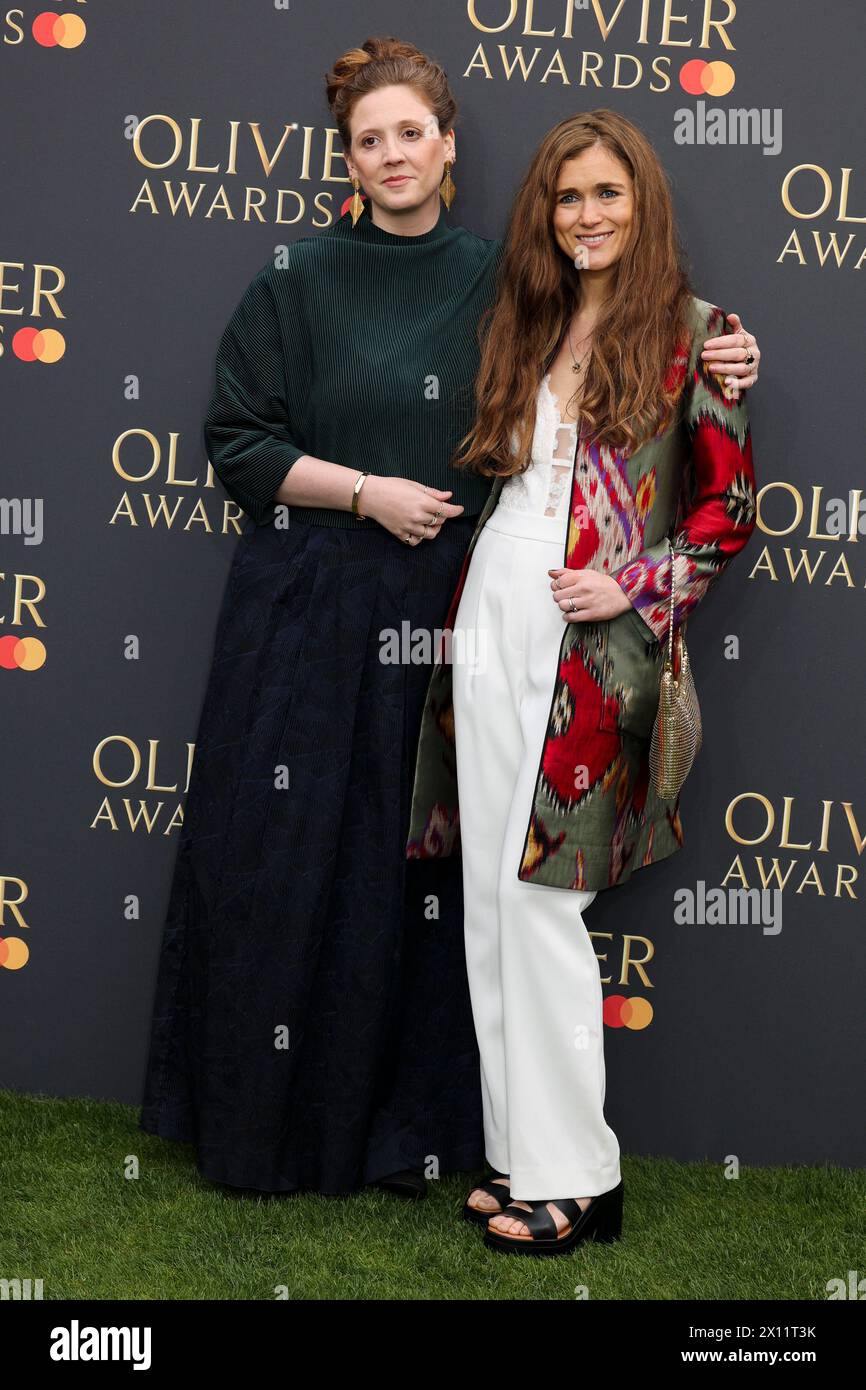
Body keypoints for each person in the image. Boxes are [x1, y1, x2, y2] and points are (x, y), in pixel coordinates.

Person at [139, 39, 760, 1200]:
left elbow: (717, 494)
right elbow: (243, 440)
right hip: (404, 611)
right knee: (457, 897)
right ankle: (460, 1151)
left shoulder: (608, 308)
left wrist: (718, 366)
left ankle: (543, 1168)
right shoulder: (413, 295)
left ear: (447, 145)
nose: (583, 215)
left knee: (517, 901)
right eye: (368, 139)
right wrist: (366, 492)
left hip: (529, 619)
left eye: (409, 133)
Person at [406, 109, 758, 1253]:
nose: (585, 215)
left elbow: (725, 514)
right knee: (492, 904)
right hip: (495, 602)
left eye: (605, 194)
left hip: (594, 641)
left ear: (640, 203)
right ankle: (518, 1154)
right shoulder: (532, 317)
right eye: (566, 198)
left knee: (547, 902)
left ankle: (581, 1180)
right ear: (544, 215)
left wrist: (640, 586)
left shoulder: (700, 334)